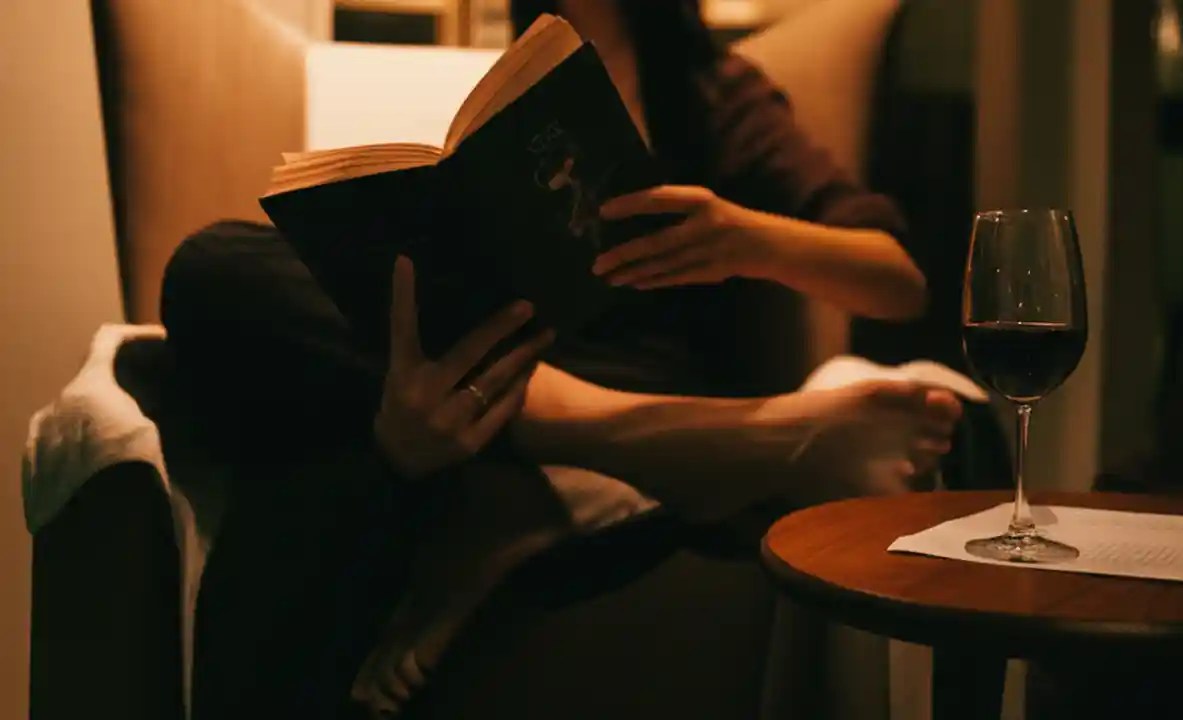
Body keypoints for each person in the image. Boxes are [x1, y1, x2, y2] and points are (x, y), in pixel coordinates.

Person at [165, 1, 962, 717]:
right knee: (214, 269)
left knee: (314, 435)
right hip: (504, 373)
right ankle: (639, 444)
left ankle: (531, 463)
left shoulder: (714, 91)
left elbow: (900, 281)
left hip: (641, 379)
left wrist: (748, 237)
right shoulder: (512, 91)